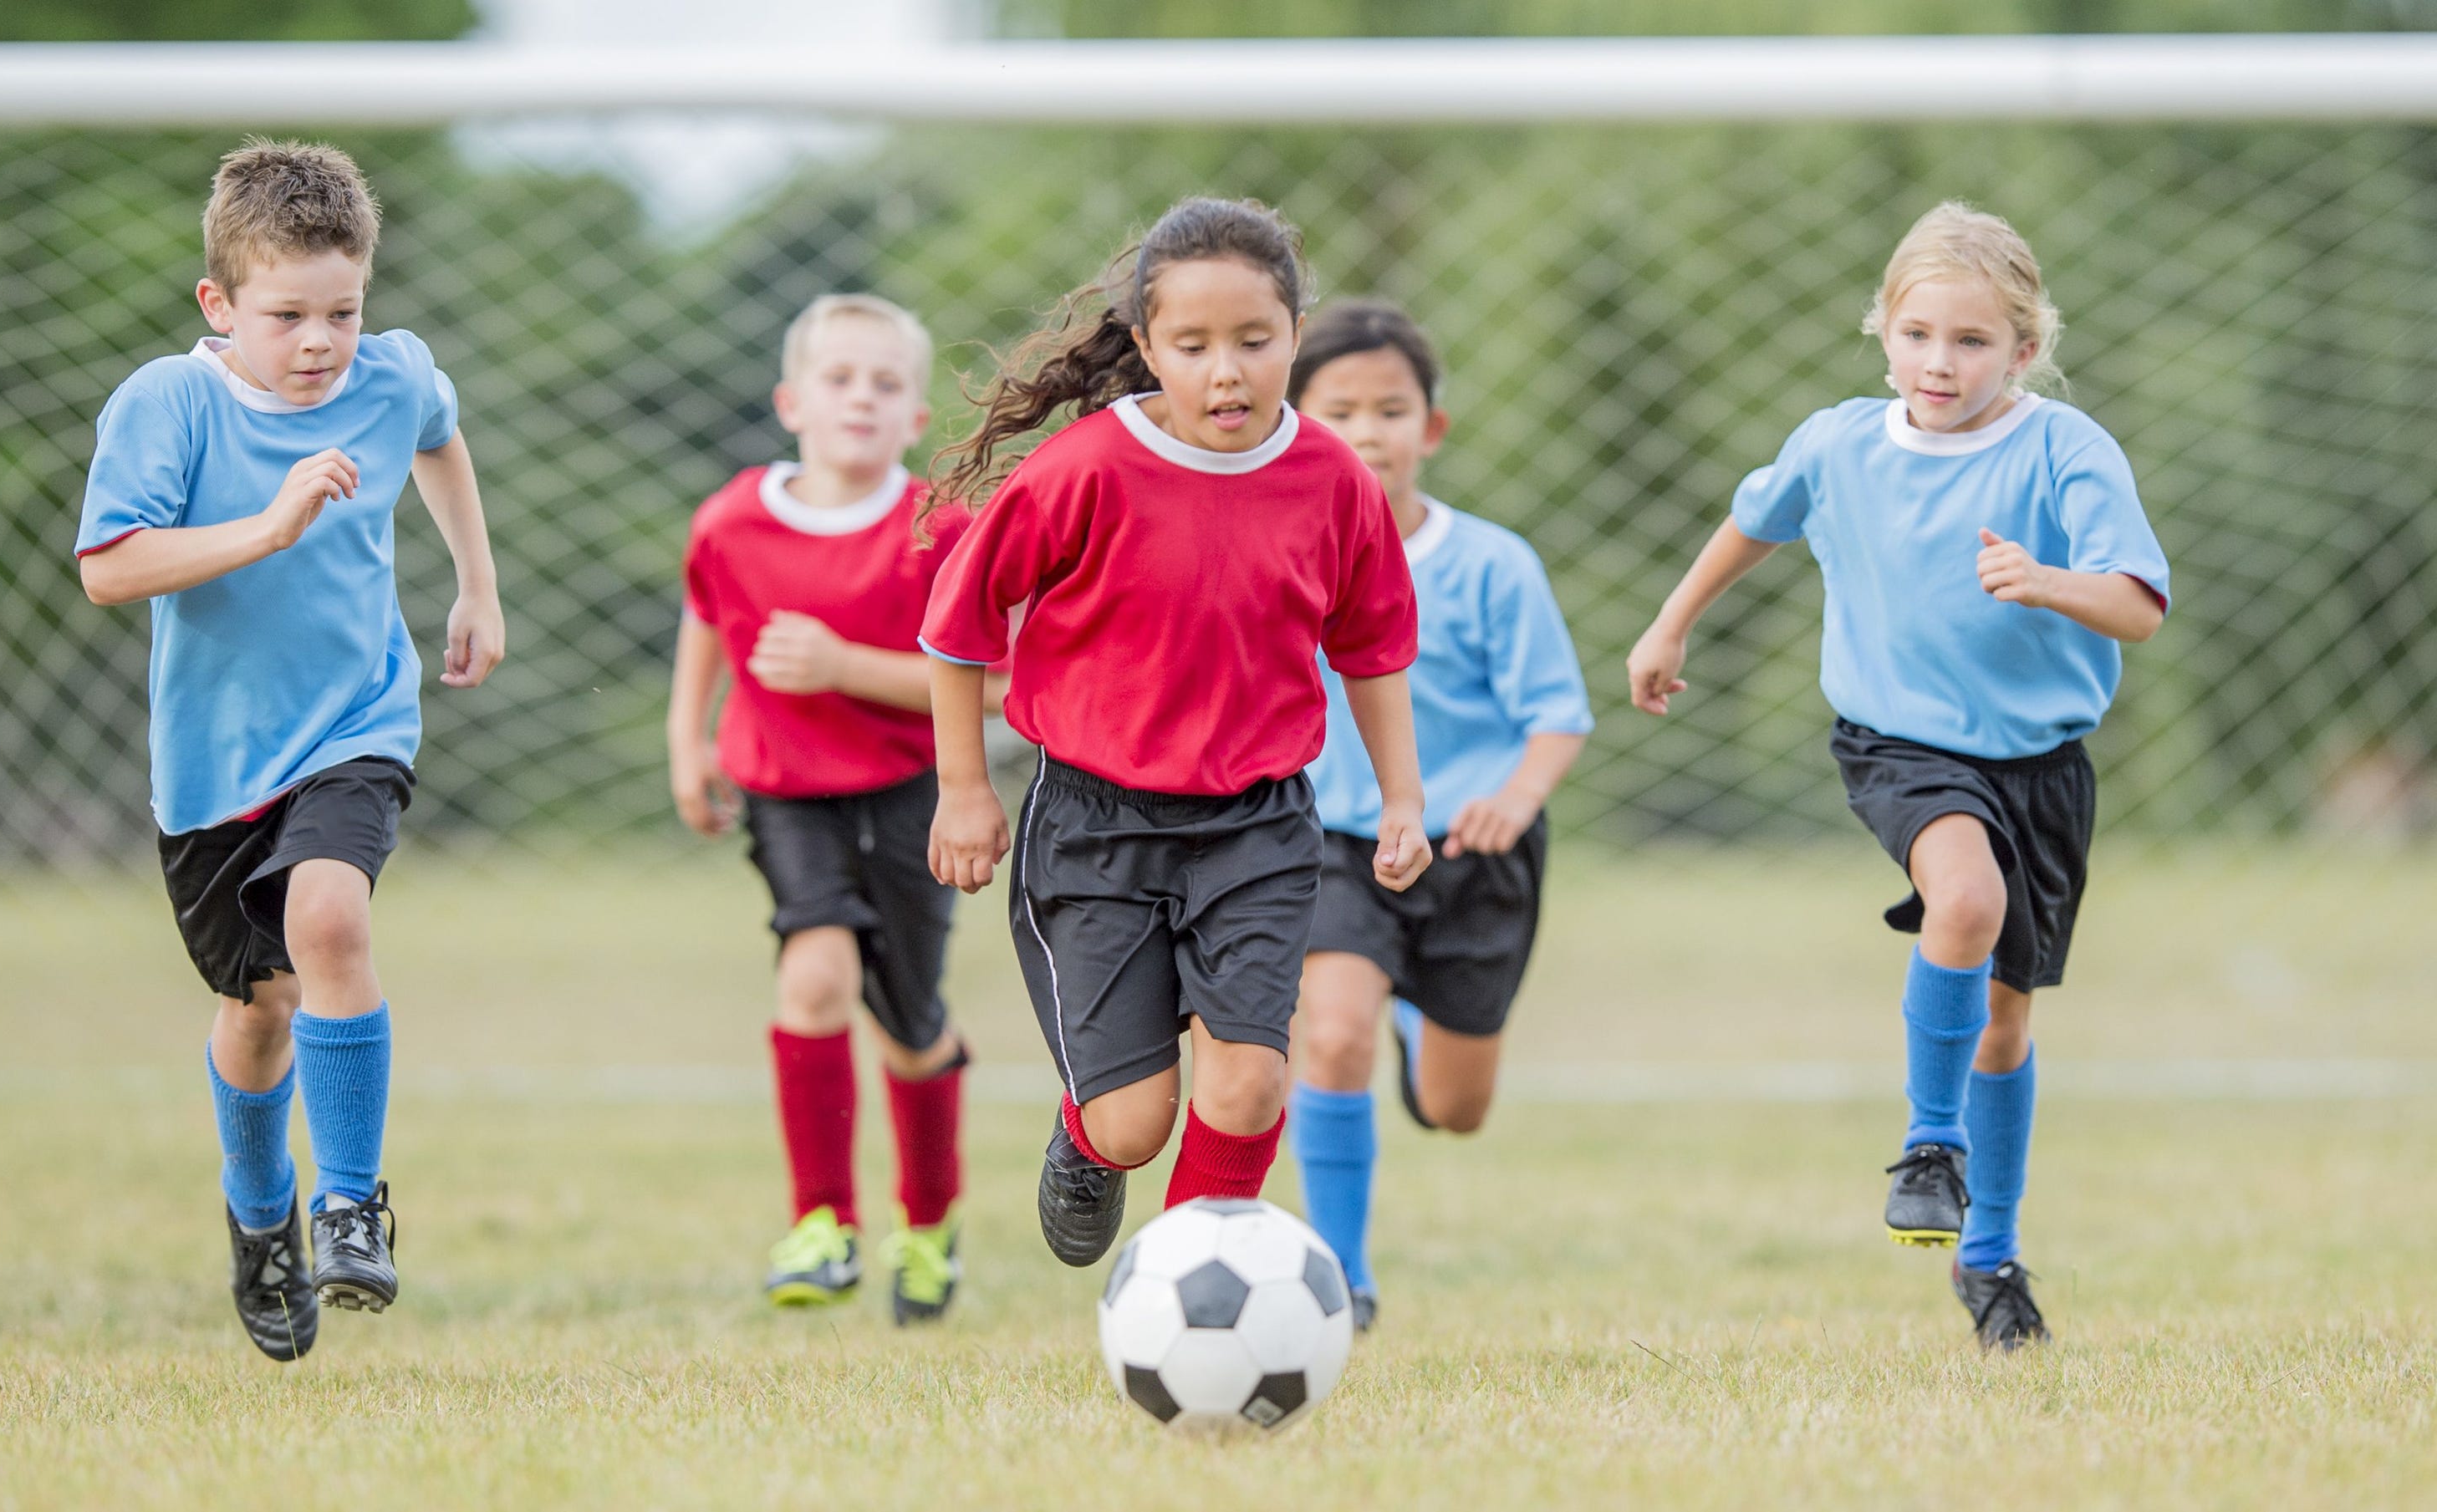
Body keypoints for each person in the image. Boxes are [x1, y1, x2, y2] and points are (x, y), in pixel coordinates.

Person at [1626, 201, 2169, 1349]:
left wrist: (2047, 580)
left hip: (2041, 766)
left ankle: (1990, 1258)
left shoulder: (2065, 449)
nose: (1941, 361)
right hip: (1901, 745)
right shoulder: (1838, 442)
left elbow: (2136, 602)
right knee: (1964, 901)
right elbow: (1754, 518)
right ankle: (1931, 1147)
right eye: (1919, 332)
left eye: (1972, 342)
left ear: (2024, 350)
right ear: (1882, 329)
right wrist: (1671, 623)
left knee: (2006, 1024)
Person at [920, 196, 1432, 1269]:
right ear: (1146, 347)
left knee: (1247, 1081)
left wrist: (1401, 799)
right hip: (1095, 826)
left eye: (1255, 341)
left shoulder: (1335, 483)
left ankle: (1181, 1286)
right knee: (1133, 1124)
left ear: (1296, 332)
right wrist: (964, 792)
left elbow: (1372, 649)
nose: (1227, 373)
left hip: (1258, 824)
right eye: (1192, 347)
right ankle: (1082, 1140)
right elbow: (957, 628)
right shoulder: (1083, 472)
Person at [75, 139, 505, 1362]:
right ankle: (260, 1217)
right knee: (256, 1009)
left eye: (344, 311)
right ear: (219, 305)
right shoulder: (167, 404)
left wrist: (477, 586)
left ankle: (351, 1204)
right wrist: (263, 530)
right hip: (214, 766)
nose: (321, 342)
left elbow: (440, 431)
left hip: (356, 720)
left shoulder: (388, 374)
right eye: (288, 316)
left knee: (329, 921)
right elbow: (109, 569)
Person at [1285, 300, 1593, 1333]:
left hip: (1470, 853)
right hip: (1333, 843)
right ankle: (1340, 1278)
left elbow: (1555, 715)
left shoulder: (1492, 564)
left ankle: (1421, 1020)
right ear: (1297, 424)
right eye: (1339, 411)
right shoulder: (1281, 558)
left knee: (1455, 1113)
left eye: (1390, 409)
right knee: (1328, 1039)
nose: (1367, 432)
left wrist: (1512, 799)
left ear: (1432, 428)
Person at [670, 293, 972, 1323]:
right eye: (840, 380)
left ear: (916, 417)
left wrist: (844, 666)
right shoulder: (732, 519)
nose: (861, 399)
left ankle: (928, 1225)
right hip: (785, 789)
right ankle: (821, 1223)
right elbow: (707, 620)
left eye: (885, 384)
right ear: (791, 402)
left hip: (911, 794)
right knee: (814, 975)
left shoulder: (941, 527)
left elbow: (992, 683)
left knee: (910, 1026)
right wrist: (689, 739)